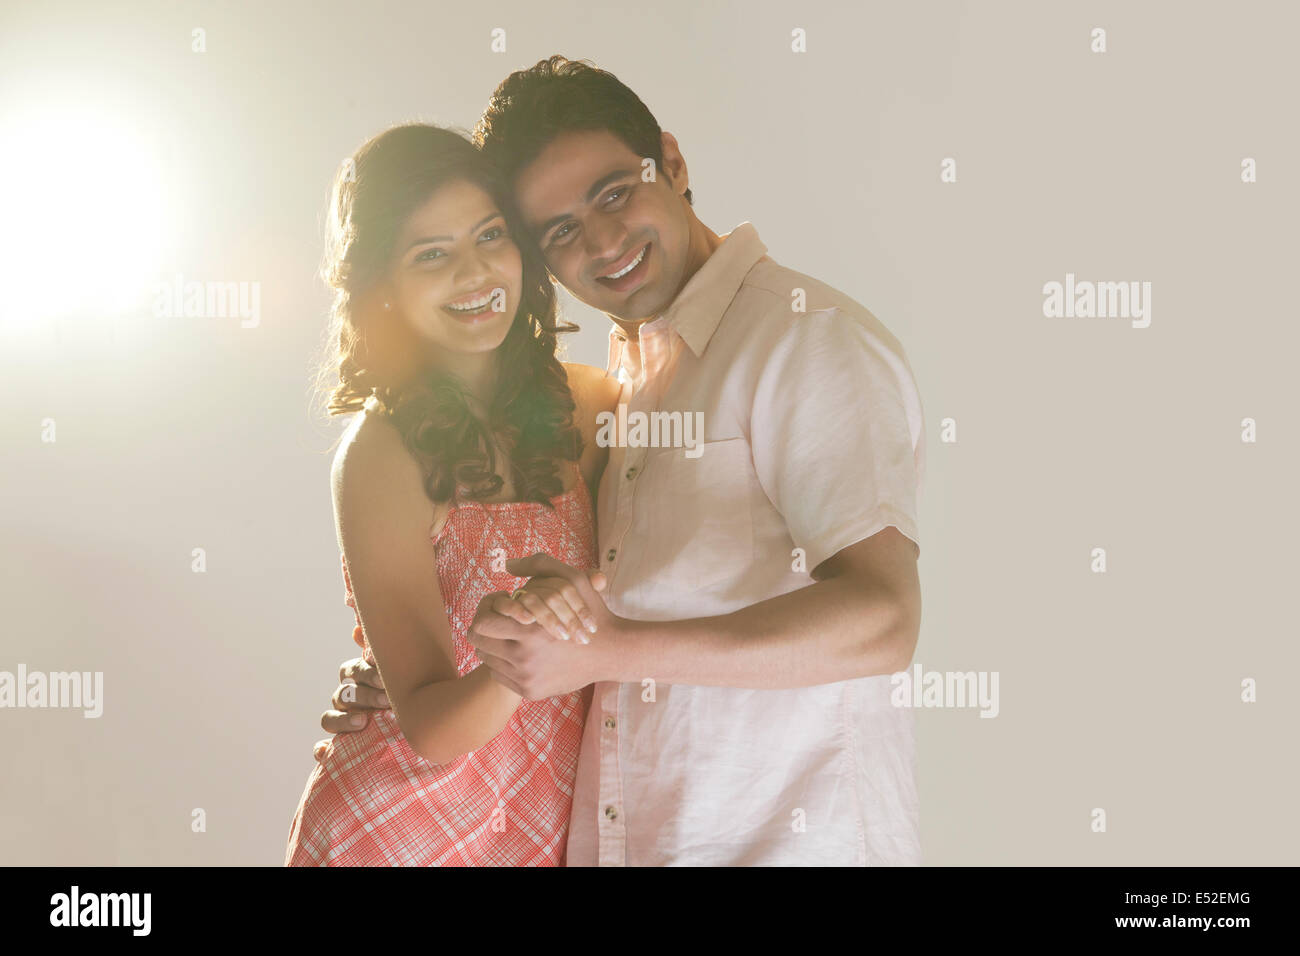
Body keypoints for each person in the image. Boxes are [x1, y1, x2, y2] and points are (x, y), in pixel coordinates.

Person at [320, 56, 927, 866]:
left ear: (673, 165)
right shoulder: (621, 386)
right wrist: (425, 682)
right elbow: (466, 657)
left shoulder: (801, 339)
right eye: (559, 231)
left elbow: (885, 621)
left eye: (614, 193)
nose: (602, 242)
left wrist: (595, 652)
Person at [286, 122, 618, 865]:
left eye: (489, 235)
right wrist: (520, 653)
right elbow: (432, 725)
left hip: (551, 820)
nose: (474, 274)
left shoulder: (597, 406)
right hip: (403, 829)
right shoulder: (380, 455)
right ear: (383, 290)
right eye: (431, 255)